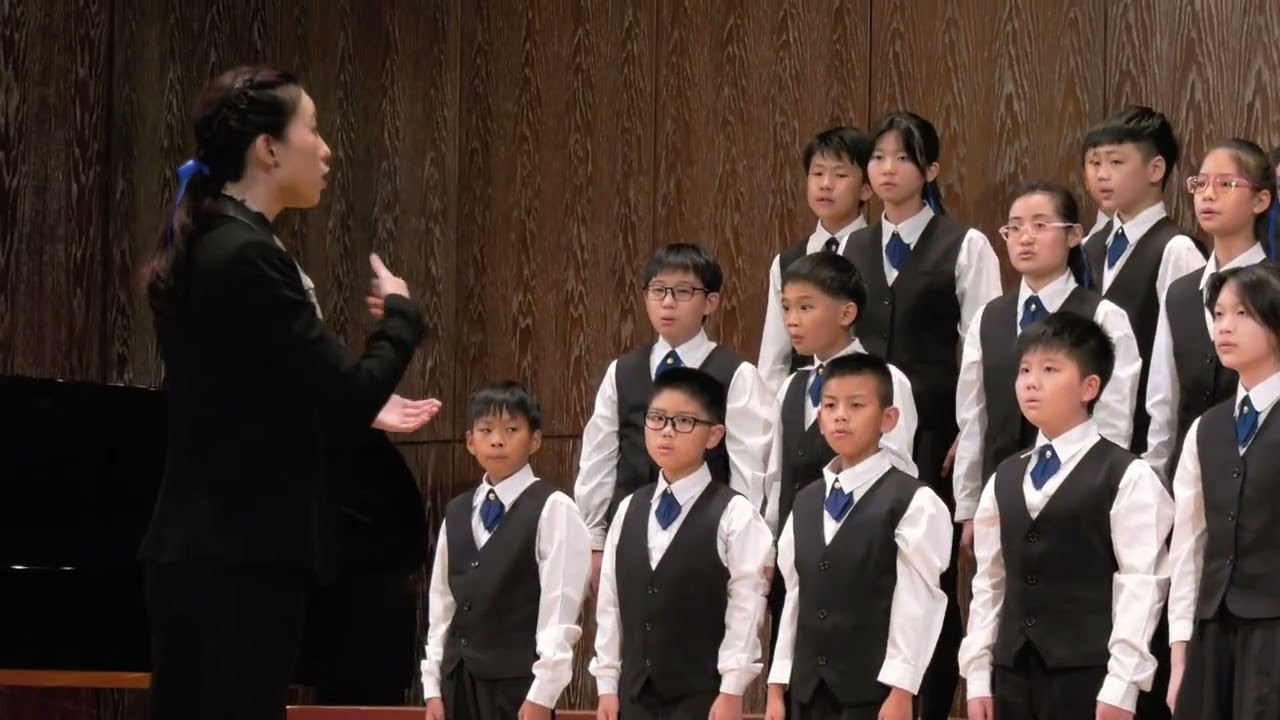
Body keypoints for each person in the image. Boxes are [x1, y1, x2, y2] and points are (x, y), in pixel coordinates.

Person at [138, 65, 431, 720]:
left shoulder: (215, 239)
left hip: (206, 547)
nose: (325, 149)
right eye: (313, 130)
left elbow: (249, 392)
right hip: (243, 551)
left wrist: (351, 404)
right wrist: (401, 319)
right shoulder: (245, 253)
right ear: (268, 149)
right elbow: (348, 393)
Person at [842, 109, 1002, 720]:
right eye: (878, 158)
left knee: (927, 577)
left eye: (903, 158)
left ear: (930, 170)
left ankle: (930, 704)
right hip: (860, 440)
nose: (887, 169)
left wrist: (969, 429)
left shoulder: (965, 244)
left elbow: (982, 347)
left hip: (934, 437)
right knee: (863, 570)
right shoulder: (852, 246)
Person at [960, 312, 1172, 720]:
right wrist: (978, 675)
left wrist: (1123, 684)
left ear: (1089, 387)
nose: (1031, 382)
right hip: (1012, 674)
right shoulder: (1004, 476)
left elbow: (1142, 584)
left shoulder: (1127, 474)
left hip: (1091, 677)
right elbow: (989, 582)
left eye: (1050, 369)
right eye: (1024, 370)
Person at [575, 243, 774, 592]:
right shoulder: (622, 371)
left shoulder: (736, 373)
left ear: (710, 302)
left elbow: (750, 472)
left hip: (708, 538)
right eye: (658, 290)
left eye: (683, 292)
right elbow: (598, 459)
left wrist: (747, 547)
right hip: (631, 534)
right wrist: (593, 538)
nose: (667, 302)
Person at [953, 180, 1141, 544]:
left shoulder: (1103, 316)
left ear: (1074, 235)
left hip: (1077, 501)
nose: (1025, 237)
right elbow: (974, 421)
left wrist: (1101, 497)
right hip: (1001, 496)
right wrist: (969, 508)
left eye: (1040, 225)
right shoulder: (989, 317)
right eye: (1014, 227)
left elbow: (1115, 422)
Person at [765, 353, 951, 720]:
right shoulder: (805, 501)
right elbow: (796, 598)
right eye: (830, 405)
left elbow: (917, 604)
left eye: (856, 405)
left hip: (874, 694)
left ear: (888, 418)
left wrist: (902, 690)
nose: (840, 416)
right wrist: (776, 685)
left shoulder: (914, 502)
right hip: (807, 691)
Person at [591, 367, 773, 720]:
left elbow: (746, 606)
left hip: (703, 697)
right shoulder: (629, 509)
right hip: (632, 696)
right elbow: (610, 604)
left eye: (684, 421)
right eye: (657, 418)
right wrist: (607, 685)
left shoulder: (735, 513)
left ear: (714, 435)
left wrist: (732, 689)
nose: (667, 431)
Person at [422, 382, 591, 720]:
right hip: (458, 679)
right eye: (485, 430)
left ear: (536, 439)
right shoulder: (457, 510)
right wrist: (432, 686)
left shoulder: (554, 508)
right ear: (470, 442)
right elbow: (442, 604)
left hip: (518, 685)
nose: (497, 440)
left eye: (511, 430)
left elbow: (560, 609)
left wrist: (543, 693)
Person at [1166, 262, 1280, 719]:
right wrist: (1180, 653)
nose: (1224, 326)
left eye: (1242, 313)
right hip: (1213, 630)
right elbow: (1189, 544)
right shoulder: (1205, 429)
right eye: (1218, 314)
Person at [1079, 106, 1205, 473]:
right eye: (1094, 162)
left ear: (1156, 169)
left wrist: (1158, 458)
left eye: (1116, 162)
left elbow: (1180, 364)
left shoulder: (1176, 249)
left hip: (1146, 440)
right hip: (1085, 434)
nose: (1102, 174)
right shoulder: (1088, 247)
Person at [1145, 138, 1279, 481]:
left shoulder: (1275, 286)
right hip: (1186, 475)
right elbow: (1164, 399)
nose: (1208, 194)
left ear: (1261, 200)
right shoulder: (1180, 293)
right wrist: (1157, 476)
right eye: (1200, 183)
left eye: (1225, 184)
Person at [758, 125, 874, 392]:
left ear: (866, 189)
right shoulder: (787, 261)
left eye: (840, 174)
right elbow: (774, 357)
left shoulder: (879, 253)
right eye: (817, 173)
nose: (825, 184)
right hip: (805, 396)